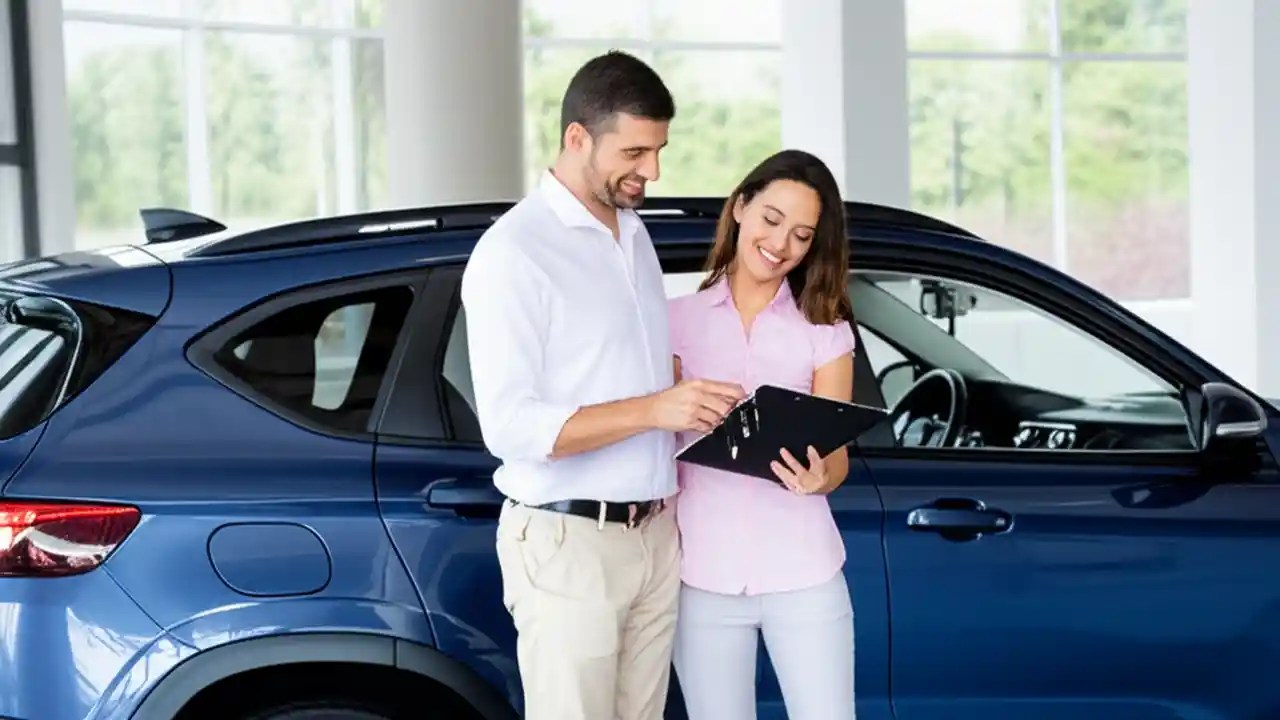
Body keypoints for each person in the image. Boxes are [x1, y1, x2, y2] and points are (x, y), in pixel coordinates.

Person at [460, 51, 746, 720]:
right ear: (577, 137)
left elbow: (620, 371)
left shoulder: (634, 235)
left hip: (653, 534)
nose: (652, 171)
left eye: (659, 150)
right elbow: (511, 428)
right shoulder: (514, 253)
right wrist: (655, 407)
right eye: (636, 151)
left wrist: (684, 396)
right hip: (569, 546)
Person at [667, 149, 858, 720]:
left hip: (804, 574)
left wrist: (822, 473)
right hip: (701, 577)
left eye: (802, 235)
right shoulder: (672, 320)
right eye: (772, 220)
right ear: (740, 208)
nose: (781, 244)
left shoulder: (825, 330)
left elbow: (838, 457)